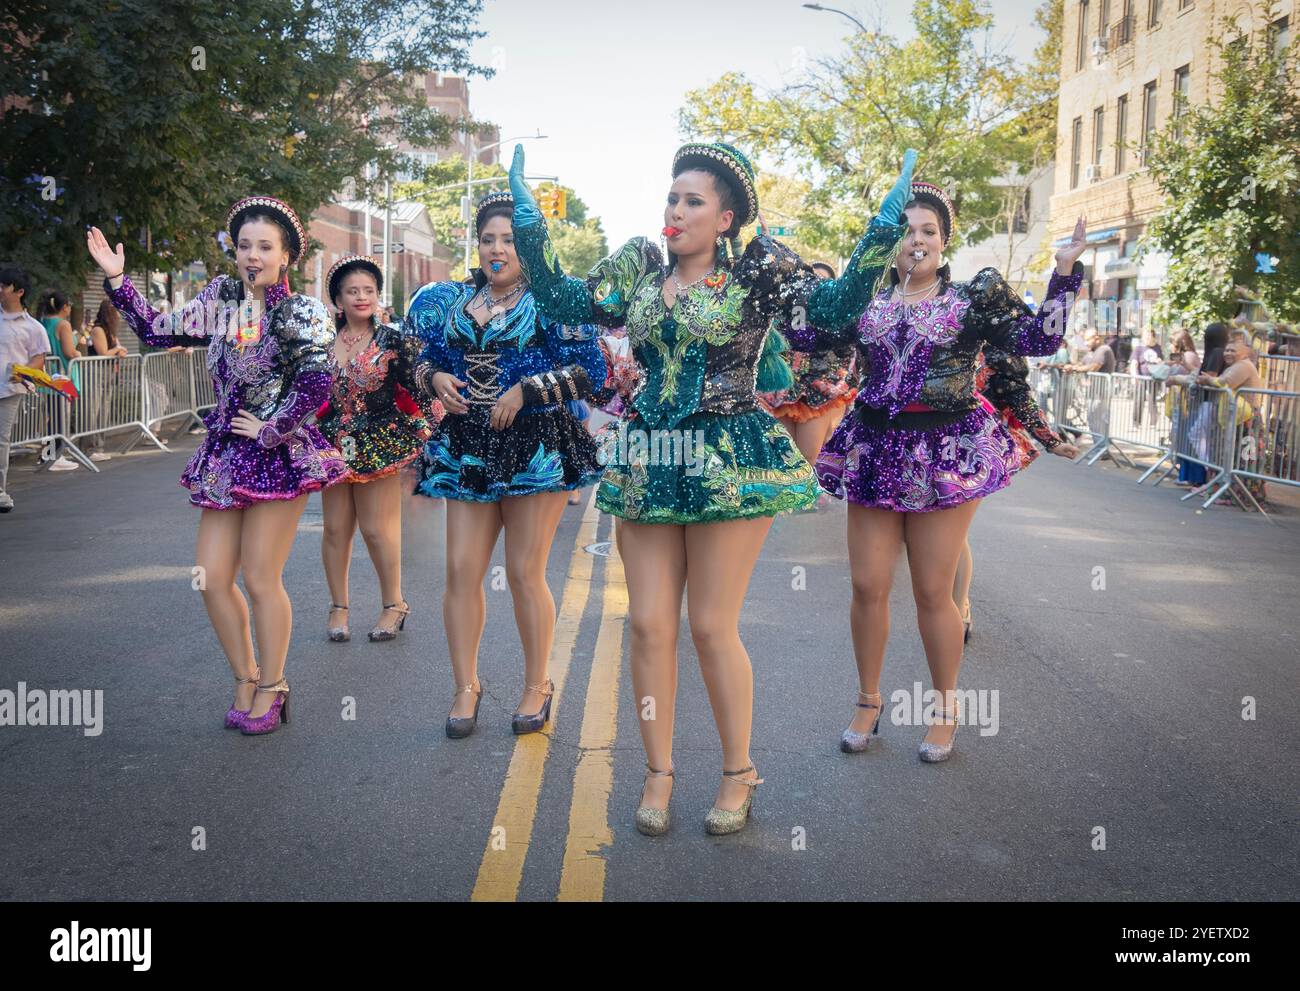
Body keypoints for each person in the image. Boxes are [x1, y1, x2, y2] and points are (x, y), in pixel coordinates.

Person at [513, 140, 916, 835]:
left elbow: (833, 308)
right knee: (646, 623)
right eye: (672, 197)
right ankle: (658, 770)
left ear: (725, 218)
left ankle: (737, 770)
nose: (676, 210)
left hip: (728, 454)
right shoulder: (638, 264)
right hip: (650, 454)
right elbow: (565, 297)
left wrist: (882, 230)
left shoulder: (758, 271)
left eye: (693, 201)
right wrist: (528, 220)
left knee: (708, 624)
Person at [785, 178, 1086, 763]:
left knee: (931, 589)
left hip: (944, 448)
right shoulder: (863, 299)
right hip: (874, 443)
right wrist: (800, 283)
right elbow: (806, 335)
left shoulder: (972, 300)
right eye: (906, 232)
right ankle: (867, 702)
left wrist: (1065, 272)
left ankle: (945, 710)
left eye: (928, 232)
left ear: (944, 243)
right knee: (869, 584)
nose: (916, 242)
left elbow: (1040, 340)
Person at [88, 196, 349, 735]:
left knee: (259, 577)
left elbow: (318, 382)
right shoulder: (223, 299)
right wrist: (118, 281)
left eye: (264, 247)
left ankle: (273, 685)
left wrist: (275, 427)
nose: (252, 255)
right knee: (210, 578)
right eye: (244, 246)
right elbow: (161, 331)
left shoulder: (297, 311)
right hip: (227, 455)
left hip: (277, 455)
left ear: (287, 256)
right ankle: (245, 675)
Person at [406, 191, 606, 740]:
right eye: (489, 239)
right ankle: (466, 686)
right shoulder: (445, 302)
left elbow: (593, 370)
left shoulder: (553, 300)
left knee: (523, 572)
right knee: (461, 570)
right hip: (467, 446)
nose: (498, 249)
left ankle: (536, 684)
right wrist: (435, 381)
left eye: (510, 240)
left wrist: (527, 388)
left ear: (530, 246)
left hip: (535, 445)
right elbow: (422, 360)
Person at [317, 255, 441, 643]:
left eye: (368, 290)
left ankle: (393, 605)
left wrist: (429, 421)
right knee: (336, 529)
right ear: (338, 299)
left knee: (376, 530)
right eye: (352, 291)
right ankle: (339, 607)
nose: (361, 297)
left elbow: (420, 380)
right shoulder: (322, 340)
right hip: (332, 444)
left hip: (380, 442)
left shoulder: (393, 340)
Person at [952, 346, 1079, 644]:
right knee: (922, 536)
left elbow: (1017, 394)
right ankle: (944, 604)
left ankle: (958, 610)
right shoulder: (926, 320)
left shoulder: (998, 343)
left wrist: (1050, 439)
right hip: (916, 442)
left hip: (974, 448)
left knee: (954, 533)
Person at [758, 261, 859, 472]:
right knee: (783, 456)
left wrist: (838, 379)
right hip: (783, 390)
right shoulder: (786, 307)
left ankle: (801, 497)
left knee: (806, 456)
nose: (815, 286)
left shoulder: (837, 315)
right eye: (811, 280)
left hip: (821, 389)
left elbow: (848, 350)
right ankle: (786, 500)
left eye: (823, 282)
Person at [0, 265, 50, 512]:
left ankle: (0, 491)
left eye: (4, 285)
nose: (0, 289)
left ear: (18, 291)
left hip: (8, 391)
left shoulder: (33, 327)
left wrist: (22, 372)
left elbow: (38, 359)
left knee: (1, 440)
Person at [1201, 334, 1268, 505]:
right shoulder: (1238, 365)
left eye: (1233, 350)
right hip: (1238, 418)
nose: (1228, 353)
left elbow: (1225, 383)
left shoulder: (1243, 366)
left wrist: (1208, 379)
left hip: (1246, 420)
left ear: (1244, 353)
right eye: (1227, 350)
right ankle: (1229, 492)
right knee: (1232, 456)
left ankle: (1242, 494)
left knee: (1244, 457)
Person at [1174, 323, 1228, 487]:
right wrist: (1187, 367)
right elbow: (1203, 373)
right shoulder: (1217, 352)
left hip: (1210, 401)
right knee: (1200, 436)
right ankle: (1210, 472)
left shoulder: (1217, 353)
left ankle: (1211, 471)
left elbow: (1208, 377)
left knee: (1197, 435)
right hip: (1208, 401)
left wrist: (1186, 379)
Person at [37, 289, 83, 471]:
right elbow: (69, 352)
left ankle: (48, 455)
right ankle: (54, 457)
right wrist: (78, 352)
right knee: (60, 418)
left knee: (52, 417)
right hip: (62, 378)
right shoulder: (62, 324)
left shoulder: (42, 321)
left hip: (46, 376)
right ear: (64, 307)